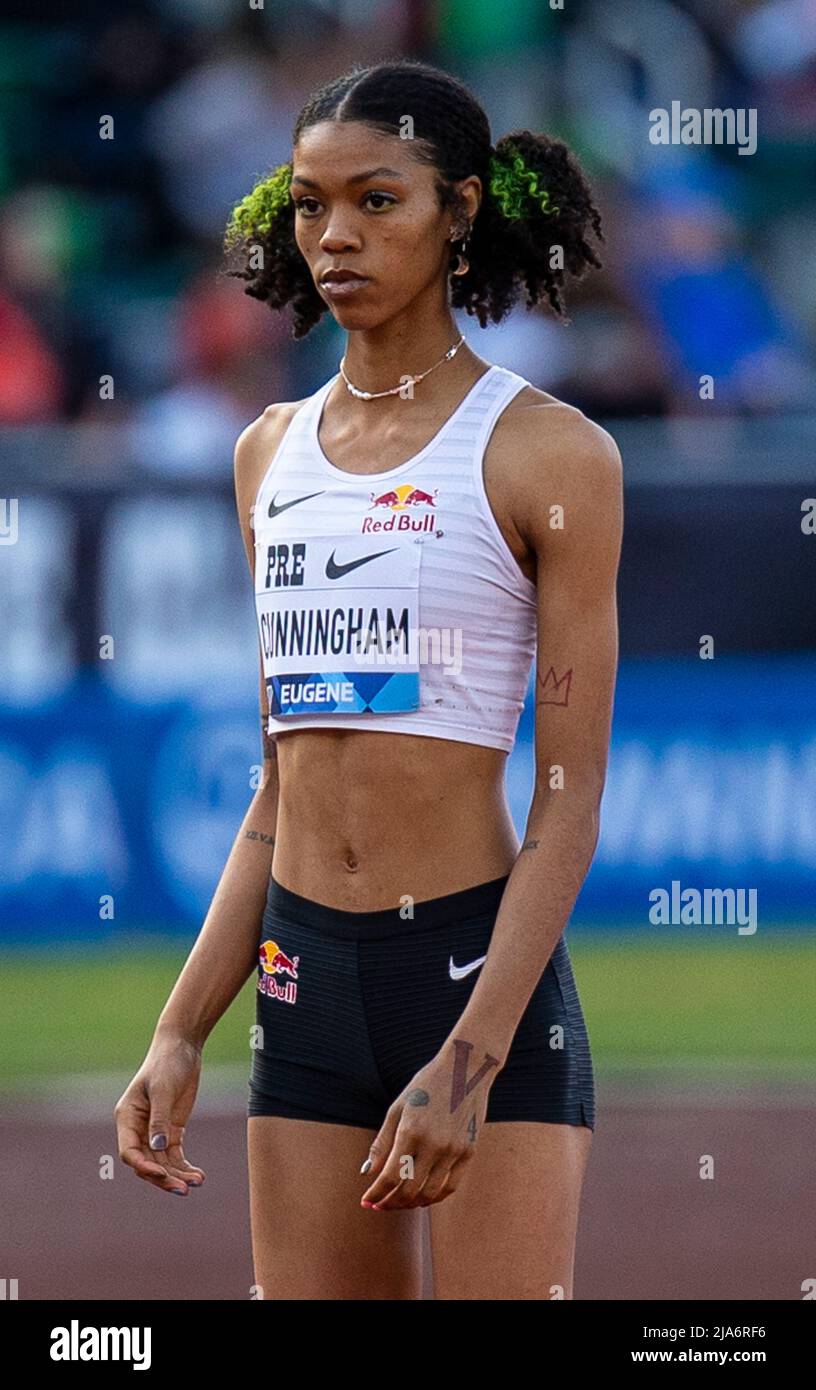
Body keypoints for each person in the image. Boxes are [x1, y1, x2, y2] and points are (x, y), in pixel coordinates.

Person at [114, 58, 623, 1302]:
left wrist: (473, 1057)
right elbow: (277, 789)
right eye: (309, 203)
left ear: (459, 210)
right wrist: (181, 1028)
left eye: (377, 201)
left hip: (468, 977)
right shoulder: (266, 455)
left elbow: (567, 800)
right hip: (300, 987)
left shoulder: (550, 454)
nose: (335, 235)